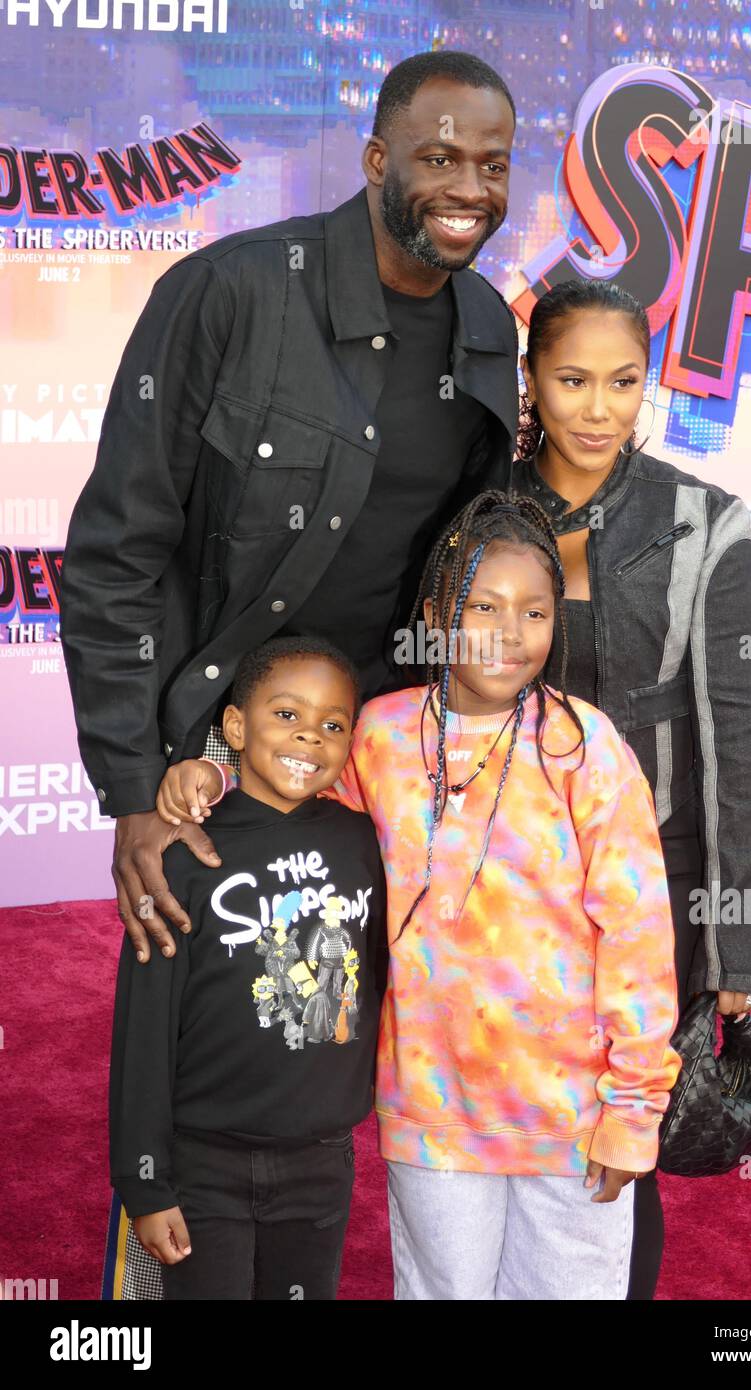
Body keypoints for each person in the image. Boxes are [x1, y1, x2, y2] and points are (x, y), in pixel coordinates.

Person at [59, 49, 520, 968]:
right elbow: (117, 550)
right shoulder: (233, 290)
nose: (469, 186)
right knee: (215, 1061)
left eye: (494, 164)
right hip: (210, 766)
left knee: (353, 1052)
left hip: (377, 765)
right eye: (439, 158)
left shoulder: (488, 325)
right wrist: (136, 792)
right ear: (378, 161)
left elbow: (456, 560)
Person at [159, 492, 682, 1301]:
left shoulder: (586, 748)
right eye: (483, 606)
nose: (508, 634)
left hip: (570, 1113)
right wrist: (214, 774)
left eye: (533, 611)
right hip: (432, 1106)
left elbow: (638, 935)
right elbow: (300, 808)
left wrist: (635, 1106)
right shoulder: (380, 734)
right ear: (437, 614)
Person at [511, 277, 751, 1298]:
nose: (596, 406)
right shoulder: (482, 508)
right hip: (501, 890)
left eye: (622, 381)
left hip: (646, 895)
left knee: (623, 1138)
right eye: (571, 377)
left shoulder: (702, 521)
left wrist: (732, 937)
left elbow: (733, 746)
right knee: (513, 1123)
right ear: (531, 377)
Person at [109, 634, 387, 1299]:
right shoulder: (184, 856)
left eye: (332, 724)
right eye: (285, 715)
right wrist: (144, 1185)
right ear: (234, 725)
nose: (309, 737)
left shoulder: (364, 840)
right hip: (203, 1164)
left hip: (321, 1161)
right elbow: (143, 1030)